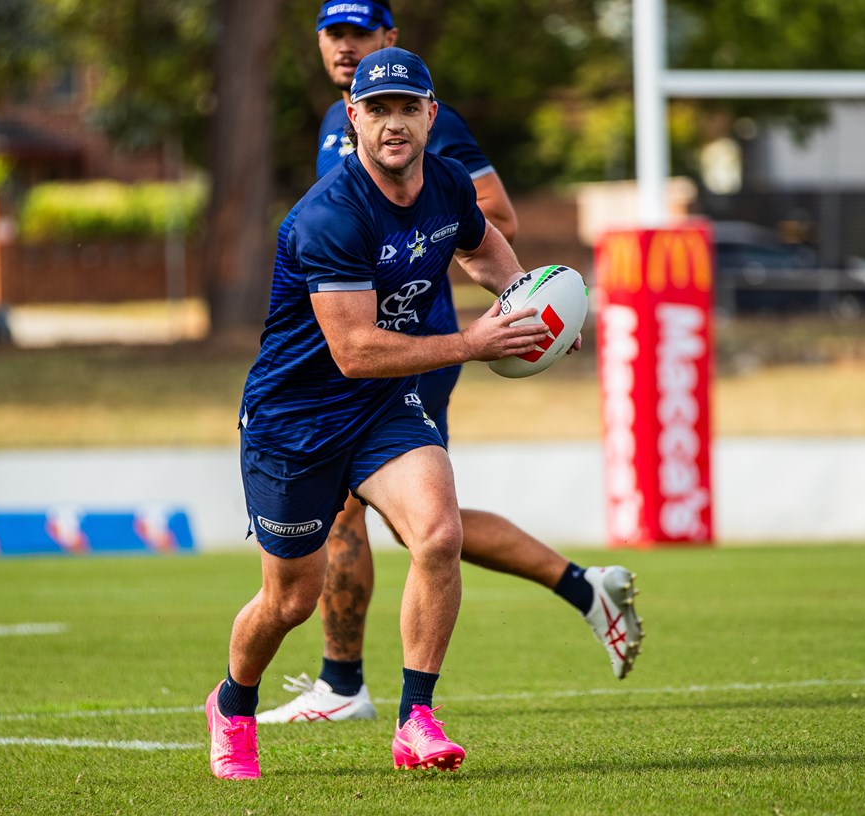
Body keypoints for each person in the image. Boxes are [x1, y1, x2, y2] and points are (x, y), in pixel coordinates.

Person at [255, 0, 643, 726]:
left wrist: (523, 308)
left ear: (391, 42)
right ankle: (582, 588)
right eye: (333, 36)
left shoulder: (430, 127)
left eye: (360, 35)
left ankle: (346, 686)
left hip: (417, 348)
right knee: (412, 523)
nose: (346, 47)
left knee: (406, 520)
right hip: (358, 346)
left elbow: (492, 215)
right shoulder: (338, 126)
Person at [207, 46, 566, 780]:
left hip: (382, 409)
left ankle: (416, 720)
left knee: (438, 534)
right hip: (296, 419)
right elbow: (354, 351)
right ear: (353, 118)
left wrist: (540, 307)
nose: (393, 122)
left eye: (408, 107)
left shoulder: (447, 184)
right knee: (292, 599)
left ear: (432, 115)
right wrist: (472, 342)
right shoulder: (329, 218)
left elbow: (483, 249)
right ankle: (233, 704)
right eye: (377, 110)